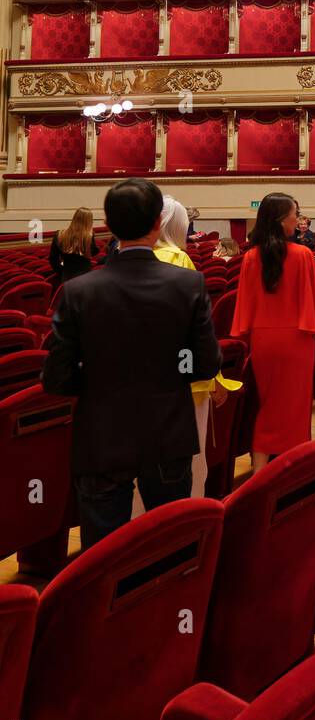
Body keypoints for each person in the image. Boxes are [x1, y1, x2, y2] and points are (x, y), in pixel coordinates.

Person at [42, 179, 222, 549]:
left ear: (108, 225)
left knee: (102, 555)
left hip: (102, 435)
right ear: (158, 223)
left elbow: (57, 378)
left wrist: (98, 384)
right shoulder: (189, 284)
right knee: (169, 544)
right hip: (168, 432)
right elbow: (204, 365)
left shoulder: (78, 291)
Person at [231, 193, 315, 473]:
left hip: (263, 340)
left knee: (268, 407)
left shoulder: (251, 257)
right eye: (294, 215)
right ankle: (293, 471)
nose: (297, 220)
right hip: (297, 339)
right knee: (295, 410)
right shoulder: (303, 255)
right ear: (280, 220)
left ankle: (260, 473)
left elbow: (245, 305)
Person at [151, 196, 241, 500]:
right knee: (189, 465)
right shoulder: (177, 259)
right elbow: (193, 330)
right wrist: (214, 376)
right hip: (185, 385)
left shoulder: (129, 259)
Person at [49, 207, 99, 283]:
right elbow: (94, 252)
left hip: (67, 277)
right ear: (89, 222)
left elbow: (53, 259)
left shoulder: (59, 235)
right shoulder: (89, 236)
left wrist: (61, 272)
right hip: (86, 278)